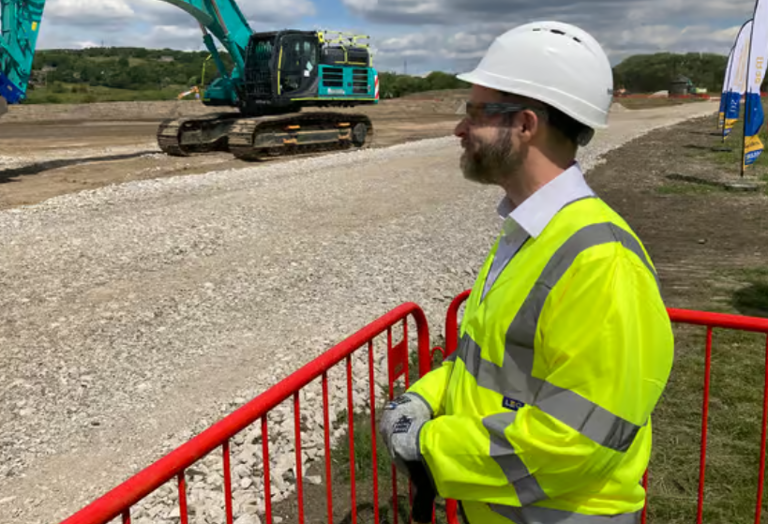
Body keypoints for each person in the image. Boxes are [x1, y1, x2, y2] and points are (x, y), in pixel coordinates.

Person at [378, 20, 675, 524]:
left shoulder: (601, 263)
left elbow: (575, 444)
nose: (459, 129)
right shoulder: (530, 233)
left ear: (525, 124)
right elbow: (488, 362)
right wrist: (423, 397)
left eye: (474, 113)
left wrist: (429, 446)